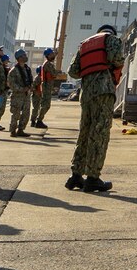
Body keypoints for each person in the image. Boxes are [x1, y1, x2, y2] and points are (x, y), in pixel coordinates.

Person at [66, 24, 124, 192]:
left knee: (84, 133)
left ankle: (76, 175)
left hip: (86, 93)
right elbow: (117, 60)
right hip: (103, 92)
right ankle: (93, 178)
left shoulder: (84, 45)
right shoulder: (112, 40)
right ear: (111, 33)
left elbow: (73, 71)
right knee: (99, 134)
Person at [8, 49, 34, 136]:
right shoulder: (14, 70)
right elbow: (11, 84)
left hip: (26, 95)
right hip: (17, 96)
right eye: (24, 55)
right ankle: (13, 130)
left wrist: (31, 87)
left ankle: (21, 129)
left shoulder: (27, 69)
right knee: (16, 113)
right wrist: (22, 89)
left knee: (26, 113)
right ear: (19, 58)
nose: (26, 57)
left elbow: (30, 80)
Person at [32, 47, 60, 129]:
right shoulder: (48, 64)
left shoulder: (47, 63)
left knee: (46, 105)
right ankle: (39, 121)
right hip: (46, 87)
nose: (53, 55)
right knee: (46, 105)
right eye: (51, 54)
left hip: (47, 87)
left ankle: (39, 120)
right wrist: (58, 72)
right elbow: (54, 73)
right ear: (48, 55)